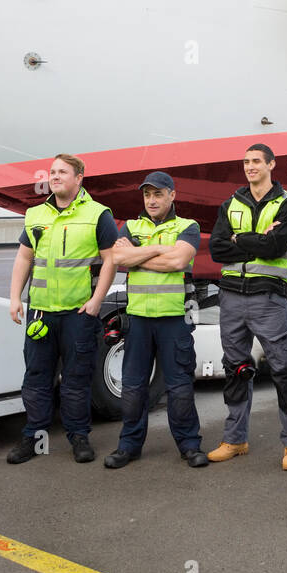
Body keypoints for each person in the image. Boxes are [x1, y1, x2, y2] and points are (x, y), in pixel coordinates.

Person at [7, 153, 118, 465]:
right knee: (37, 378)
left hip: (78, 314)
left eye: (62, 172)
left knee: (76, 379)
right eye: (52, 172)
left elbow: (111, 258)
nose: (55, 177)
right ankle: (34, 438)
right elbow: (24, 258)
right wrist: (15, 297)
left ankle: (79, 438)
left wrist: (97, 300)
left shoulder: (97, 214)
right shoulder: (34, 215)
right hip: (41, 311)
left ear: (79, 178)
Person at [207, 144, 287, 470]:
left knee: (283, 369)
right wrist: (254, 241)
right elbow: (218, 250)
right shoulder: (230, 204)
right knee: (235, 369)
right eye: (246, 162)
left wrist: (239, 239)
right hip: (232, 298)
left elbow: (277, 245)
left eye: (256, 161)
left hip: (269, 298)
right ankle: (235, 439)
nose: (250, 167)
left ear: (271, 165)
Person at [104, 171, 209, 469]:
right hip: (138, 320)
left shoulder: (188, 226)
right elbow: (117, 259)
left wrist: (137, 253)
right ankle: (129, 446)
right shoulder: (130, 225)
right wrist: (160, 248)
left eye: (158, 194)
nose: (152, 200)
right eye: (147, 194)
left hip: (174, 319)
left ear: (172, 195)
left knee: (179, 387)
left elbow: (178, 261)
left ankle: (190, 445)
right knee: (133, 387)